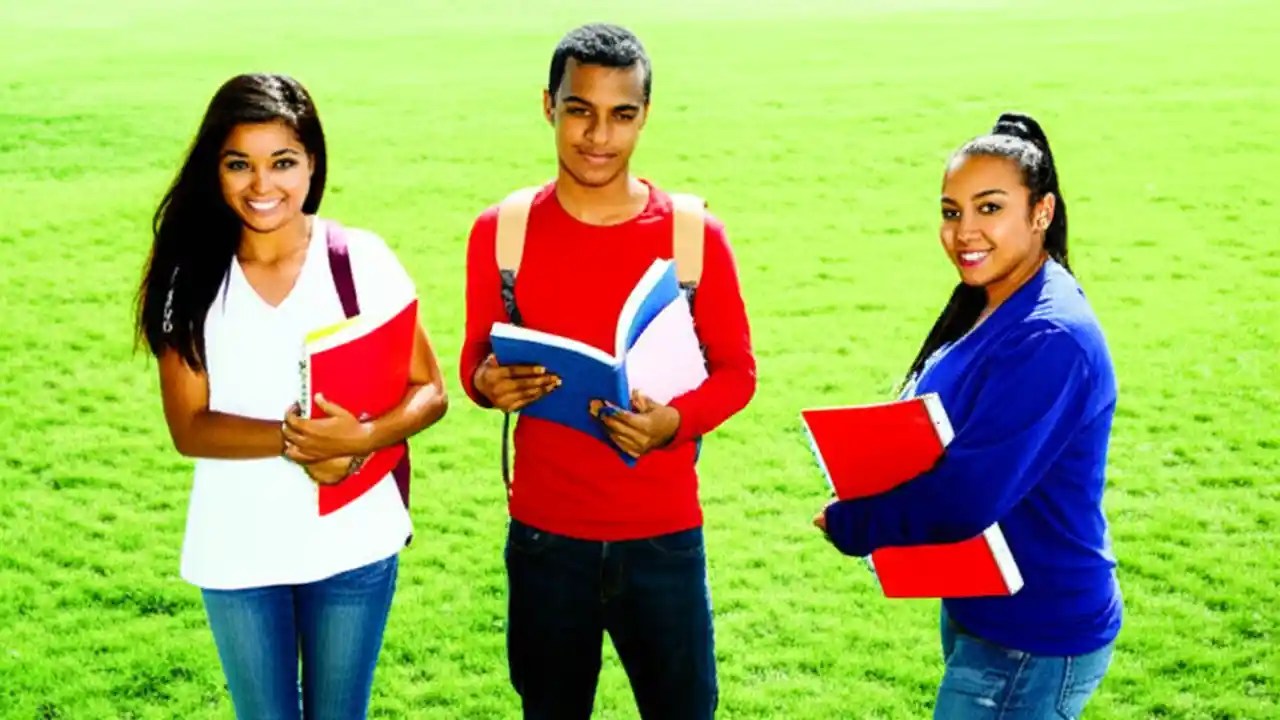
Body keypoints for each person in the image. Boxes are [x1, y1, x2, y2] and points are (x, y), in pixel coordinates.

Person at [458, 23, 756, 720]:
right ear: (548, 106)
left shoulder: (692, 235)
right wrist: (487, 385)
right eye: (579, 111)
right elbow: (477, 360)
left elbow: (737, 372)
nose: (599, 135)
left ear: (644, 115)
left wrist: (673, 422)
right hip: (544, 538)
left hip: (662, 535)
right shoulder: (501, 231)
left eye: (621, 115)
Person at [134, 73, 447, 720]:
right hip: (238, 547)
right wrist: (299, 440)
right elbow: (189, 427)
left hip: (354, 541)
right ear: (214, 169)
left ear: (312, 166)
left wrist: (360, 439)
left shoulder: (360, 258)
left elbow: (431, 391)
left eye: (282, 162)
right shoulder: (188, 277)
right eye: (238, 164)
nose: (261, 185)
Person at [815, 113, 1122, 719]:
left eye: (989, 209)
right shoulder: (992, 301)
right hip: (981, 601)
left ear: (1042, 212)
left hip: (1033, 633)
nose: (963, 232)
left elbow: (966, 500)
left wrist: (856, 524)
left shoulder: (1050, 336)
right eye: (952, 211)